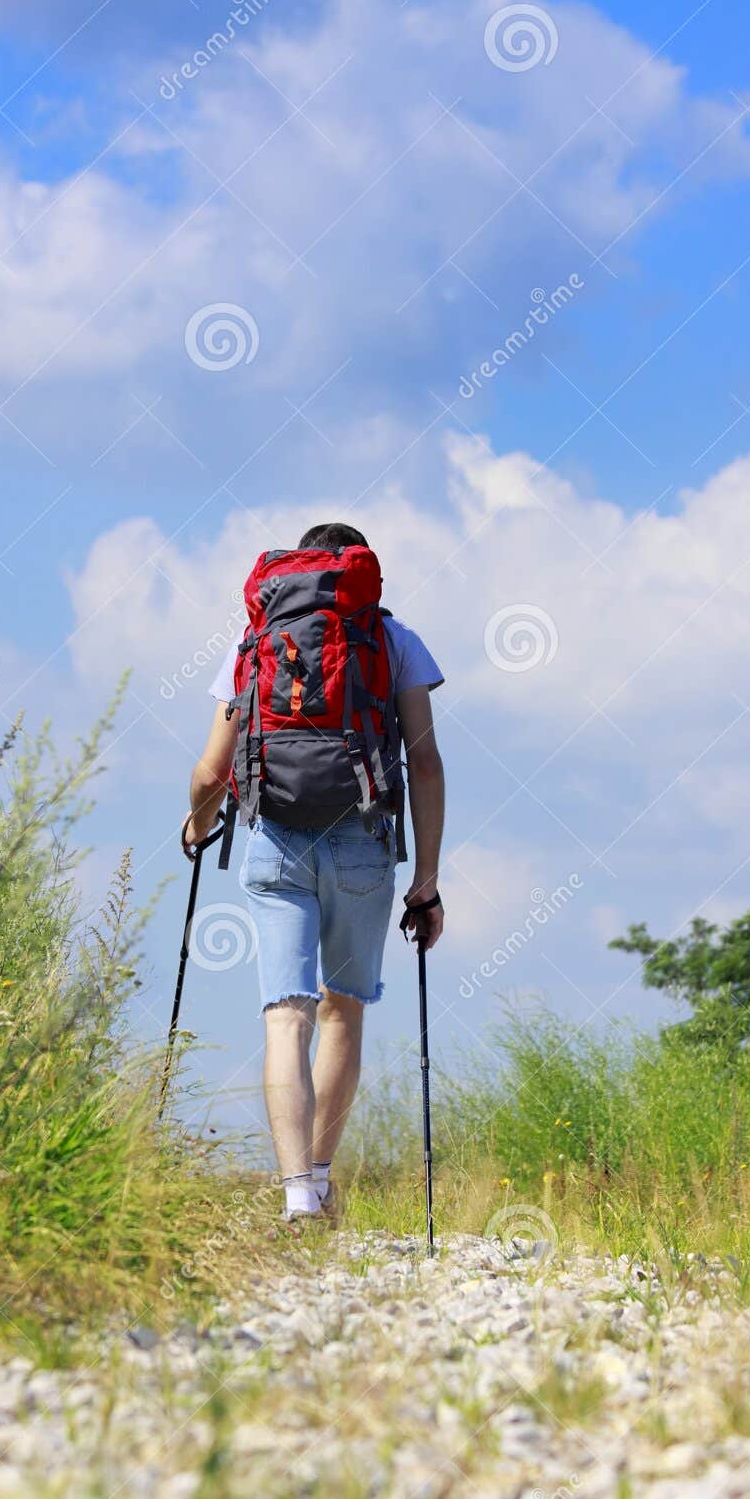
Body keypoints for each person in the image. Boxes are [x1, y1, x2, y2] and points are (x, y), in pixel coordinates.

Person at [182, 522, 445, 1221]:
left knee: (285, 1016)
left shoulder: (255, 640)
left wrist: (196, 826)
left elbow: (211, 770)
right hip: (363, 840)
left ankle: (295, 1191)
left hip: (275, 839)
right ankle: (322, 1181)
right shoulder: (393, 640)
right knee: (341, 1009)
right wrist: (426, 882)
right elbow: (424, 763)